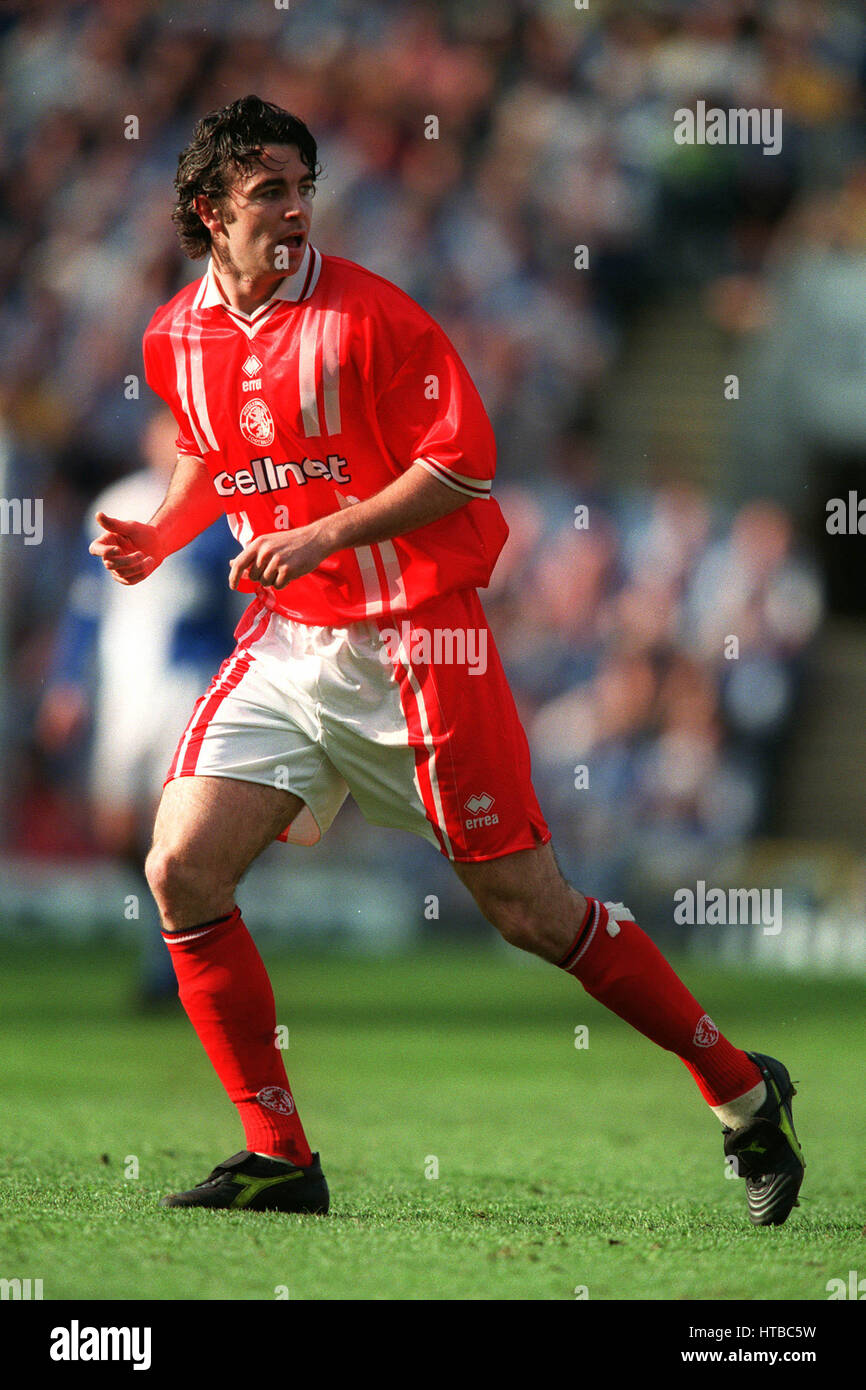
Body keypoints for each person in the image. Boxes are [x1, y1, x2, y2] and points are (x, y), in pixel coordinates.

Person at [90, 96, 804, 1225]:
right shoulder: (172, 335)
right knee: (179, 869)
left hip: (418, 644)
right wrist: (160, 532)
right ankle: (279, 1154)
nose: (292, 209)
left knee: (530, 912)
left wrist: (322, 533)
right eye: (267, 190)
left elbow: (461, 468)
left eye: (301, 187)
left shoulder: (372, 318)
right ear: (205, 211)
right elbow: (209, 455)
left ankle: (736, 1084)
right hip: (286, 647)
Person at [39, 407, 242, 1006]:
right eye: (164, 439)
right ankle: (180, 930)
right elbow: (86, 600)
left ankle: (173, 962)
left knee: (170, 828)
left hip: (189, 685)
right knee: (115, 828)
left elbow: (240, 598)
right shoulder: (118, 502)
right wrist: (66, 682)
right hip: (124, 689)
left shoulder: (225, 513)